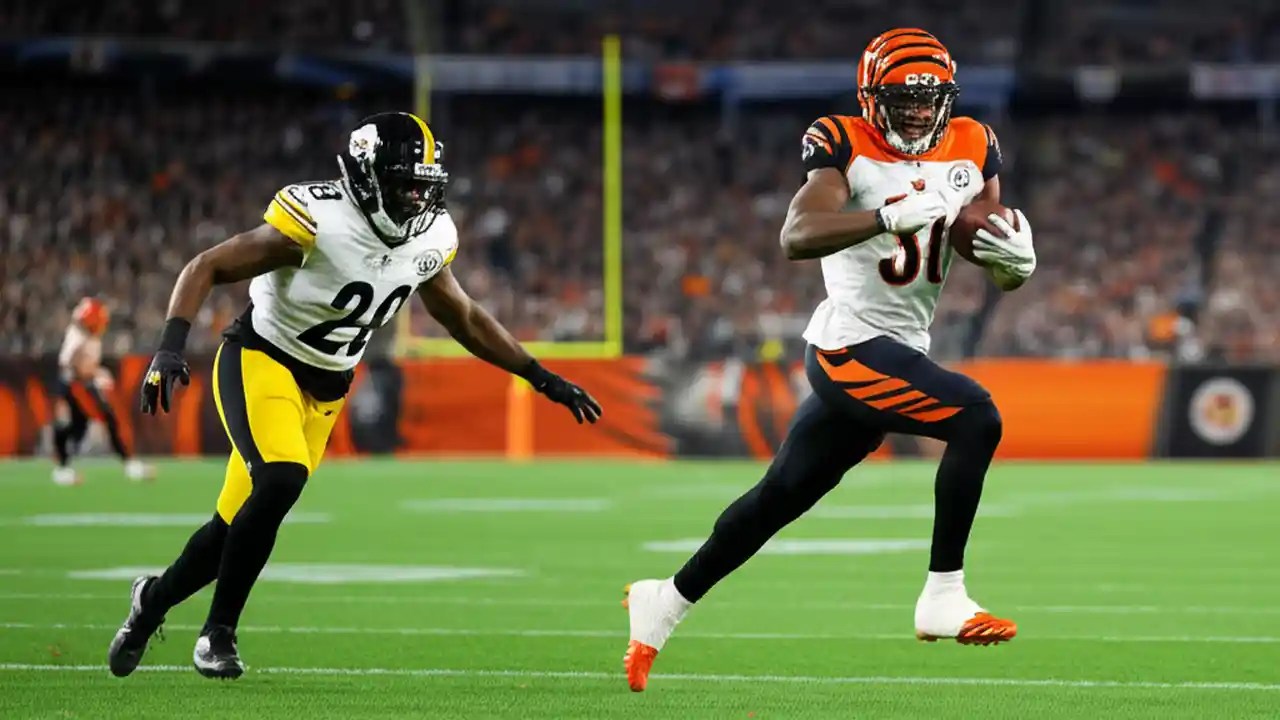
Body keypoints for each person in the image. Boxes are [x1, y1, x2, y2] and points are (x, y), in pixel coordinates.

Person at [107, 112, 602, 680]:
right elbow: (208, 265)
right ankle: (218, 634)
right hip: (261, 359)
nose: (417, 197)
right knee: (282, 479)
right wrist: (171, 346)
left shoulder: (430, 237)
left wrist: (542, 376)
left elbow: (462, 316)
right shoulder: (317, 220)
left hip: (327, 388)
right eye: (404, 182)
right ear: (367, 176)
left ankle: (150, 602)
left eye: (425, 185)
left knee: (230, 530)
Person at [621, 28, 1037, 692]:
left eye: (928, 101)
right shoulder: (842, 141)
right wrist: (883, 217)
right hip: (849, 345)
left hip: (901, 348)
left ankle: (664, 601)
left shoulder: (974, 142)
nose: (917, 113)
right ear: (873, 99)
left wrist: (1009, 263)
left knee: (779, 498)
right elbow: (797, 234)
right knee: (976, 416)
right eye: (902, 100)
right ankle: (942, 596)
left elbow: (972, 231)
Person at [51, 297, 151, 486]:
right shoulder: (78, 338)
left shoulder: (86, 335)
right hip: (75, 387)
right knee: (89, 422)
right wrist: (97, 373)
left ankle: (127, 463)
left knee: (85, 425)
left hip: (81, 385)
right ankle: (63, 467)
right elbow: (75, 367)